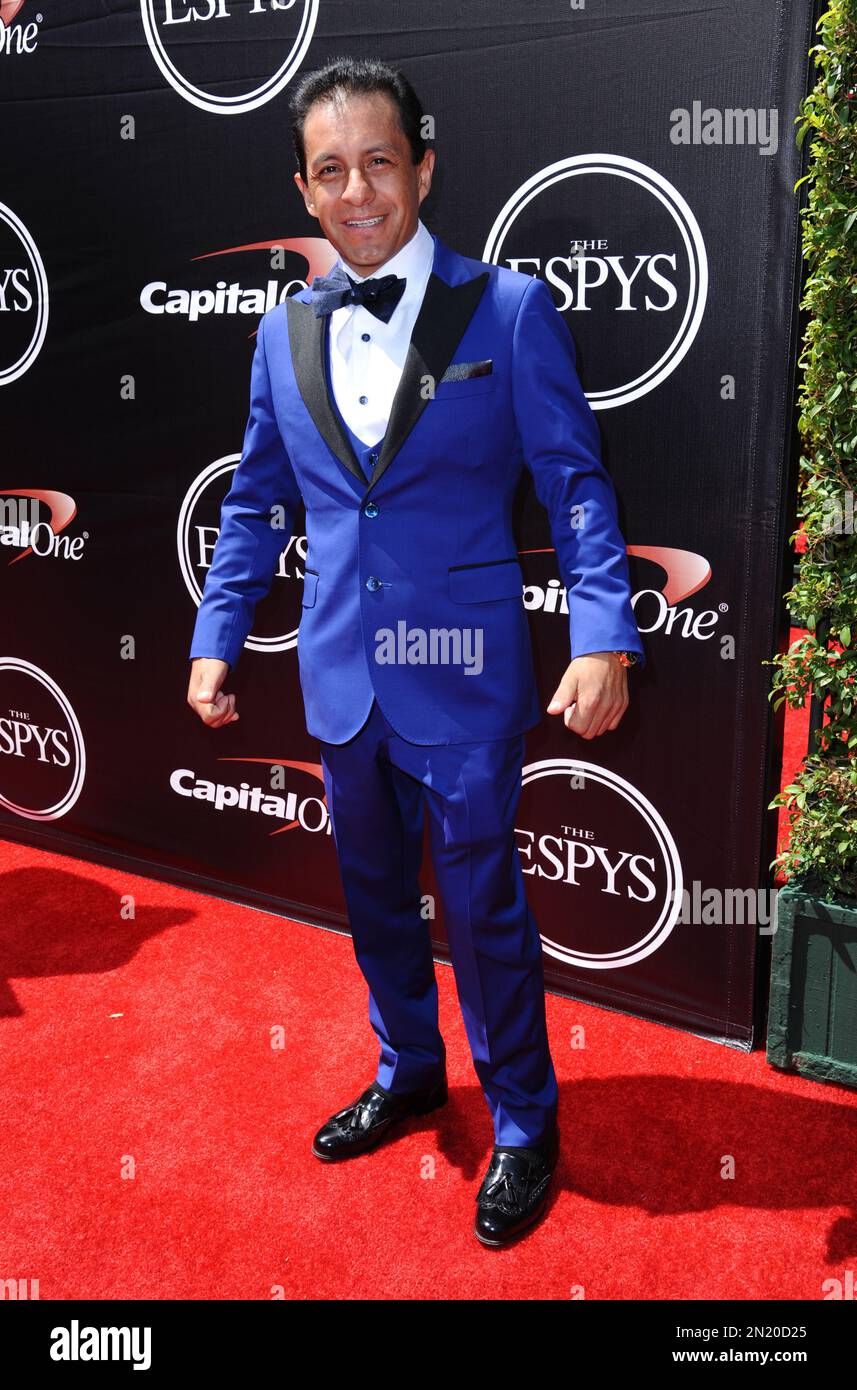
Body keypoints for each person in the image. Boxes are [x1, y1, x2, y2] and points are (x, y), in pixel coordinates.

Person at [187, 56, 645, 1248]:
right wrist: (215, 635)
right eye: (330, 170)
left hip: (465, 675)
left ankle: (523, 1123)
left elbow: (575, 488)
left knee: (485, 910)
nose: (358, 190)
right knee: (376, 901)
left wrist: (602, 632)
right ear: (304, 189)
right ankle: (407, 1071)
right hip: (340, 673)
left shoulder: (506, 310)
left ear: (423, 167)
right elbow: (254, 500)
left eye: (378, 162)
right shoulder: (281, 333)